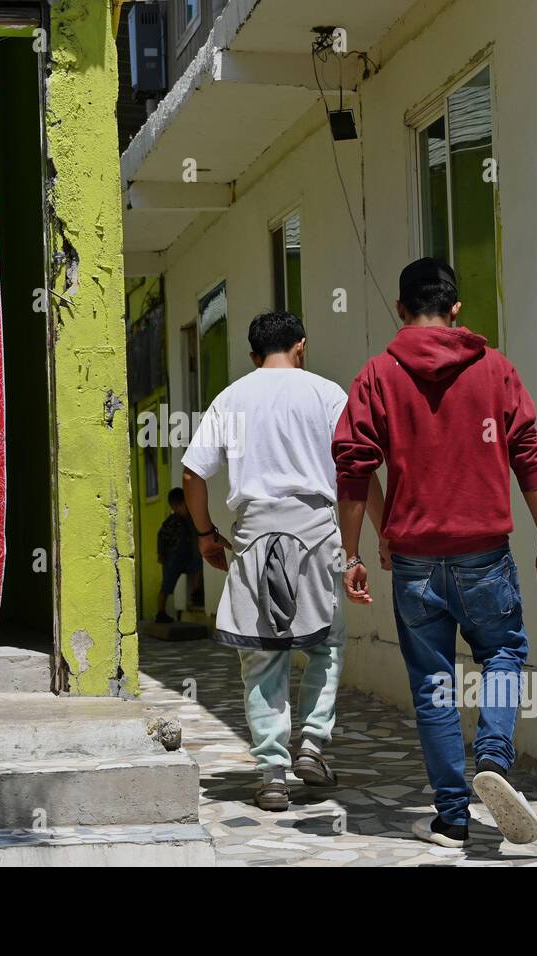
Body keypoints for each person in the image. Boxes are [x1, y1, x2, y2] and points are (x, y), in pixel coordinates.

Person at [332, 257, 537, 848]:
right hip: (485, 554)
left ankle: (452, 816)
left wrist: (352, 553)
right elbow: (528, 456)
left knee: (434, 682)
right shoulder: (496, 370)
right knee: (505, 652)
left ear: (401, 310)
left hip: (412, 562)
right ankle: (492, 754)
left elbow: (354, 470)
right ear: (456, 309)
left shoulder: (377, 376)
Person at [182, 310, 384, 812]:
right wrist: (384, 535)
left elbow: (193, 474)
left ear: (254, 355)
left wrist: (206, 534)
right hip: (317, 534)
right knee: (327, 644)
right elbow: (356, 473)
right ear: (301, 346)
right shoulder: (327, 393)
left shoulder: (230, 399)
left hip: (253, 537)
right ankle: (313, 743)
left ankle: (272, 773)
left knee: (262, 656)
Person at [154, 488, 203, 624]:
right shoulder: (170, 522)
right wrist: (161, 553)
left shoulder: (190, 519)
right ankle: (161, 612)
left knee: (198, 567)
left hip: (188, 556)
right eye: (184, 505)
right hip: (172, 559)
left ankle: (196, 592)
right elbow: (161, 537)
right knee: (167, 585)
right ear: (175, 507)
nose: (187, 508)